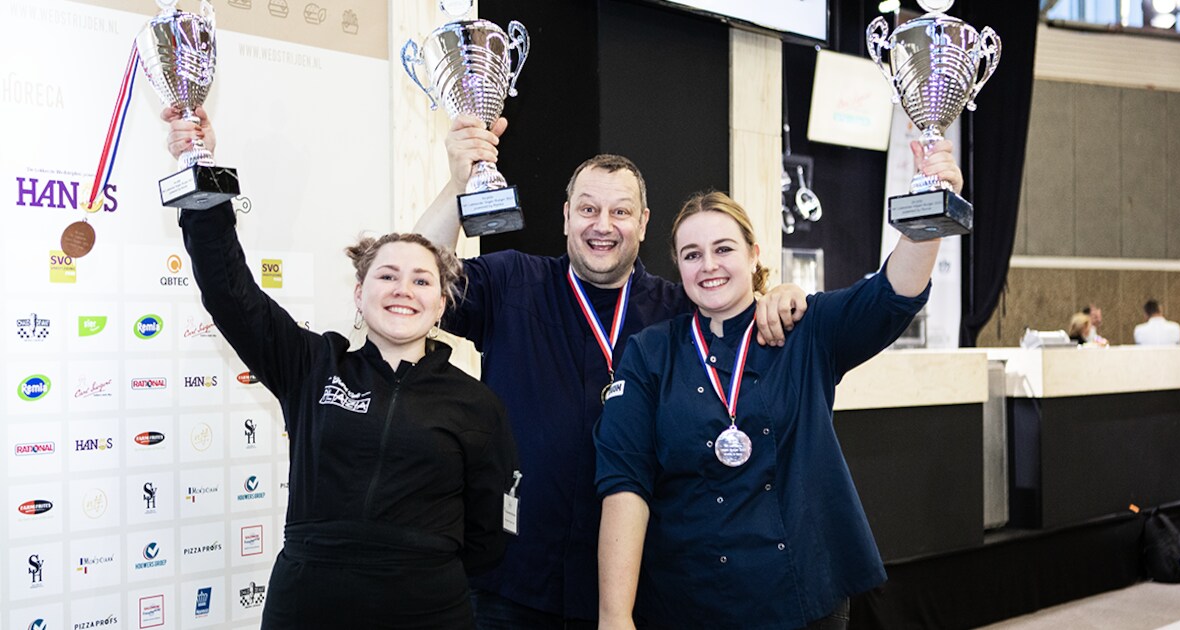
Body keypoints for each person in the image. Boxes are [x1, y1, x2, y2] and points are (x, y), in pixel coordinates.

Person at [413, 114, 809, 627]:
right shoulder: (512, 282)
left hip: (639, 586)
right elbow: (415, 277)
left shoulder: (680, 312)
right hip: (511, 578)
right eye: (588, 209)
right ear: (565, 217)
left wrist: (775, 296)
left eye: (620, 211)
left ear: (643, 222)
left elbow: (740, 309)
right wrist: (458, 184)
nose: (603, 225)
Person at [163, 107, 519, 629]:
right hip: (309, 606)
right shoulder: (312, 365)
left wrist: (417, 566)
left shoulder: (477, 403)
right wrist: (200, 167)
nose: (403, 289)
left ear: (442, 305)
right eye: (387, 276)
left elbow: (491, 532)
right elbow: (227, 289)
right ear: (359, 293)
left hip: (428, 611)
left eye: (422, 281)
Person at [594, 145, 961, 630]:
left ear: (753, 254)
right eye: (692, 254)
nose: (709, 266)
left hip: (801, 595)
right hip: (687, 599)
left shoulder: (806, 330)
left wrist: (932, 202)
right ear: (678, 268)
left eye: (724, 249)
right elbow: (625, 484)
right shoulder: (650, 354)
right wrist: (614, 616)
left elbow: (893, 293)